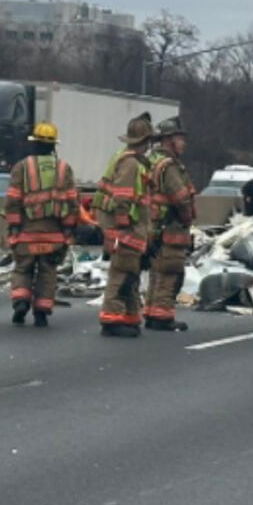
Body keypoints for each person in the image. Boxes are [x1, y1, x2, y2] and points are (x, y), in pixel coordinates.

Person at [5, 122, 79, 327]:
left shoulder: (22, 167)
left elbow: (13, 200)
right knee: (48, 271)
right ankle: (41, 312)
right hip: (53, 234)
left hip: (27, 232)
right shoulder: (64, 169)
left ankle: (21, 301)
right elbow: (72, 203)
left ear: (34, 144)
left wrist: (14, 227)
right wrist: (68, 230)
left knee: (22, 268)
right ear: (54, 145)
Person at [92, 113, 154, 338]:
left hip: (131, 229)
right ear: (144, 141)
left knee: (131, 274)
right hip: (126, 229)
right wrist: (122, 226)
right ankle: (111, 319)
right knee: (122, 273)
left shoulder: (129, 160)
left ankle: (128, 316)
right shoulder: (130, 164)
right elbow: (123, 197)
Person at [145, 116, 196, 332]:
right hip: (171, 226)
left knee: (157, 272)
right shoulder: (169, 166)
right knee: (169, 272)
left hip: (153, 225)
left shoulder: (150, 160)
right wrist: (187, 216)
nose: (183, 143)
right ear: (168, 140)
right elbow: (180, 197)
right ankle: (163, 316)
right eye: (179, 138)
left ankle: (151, 312)